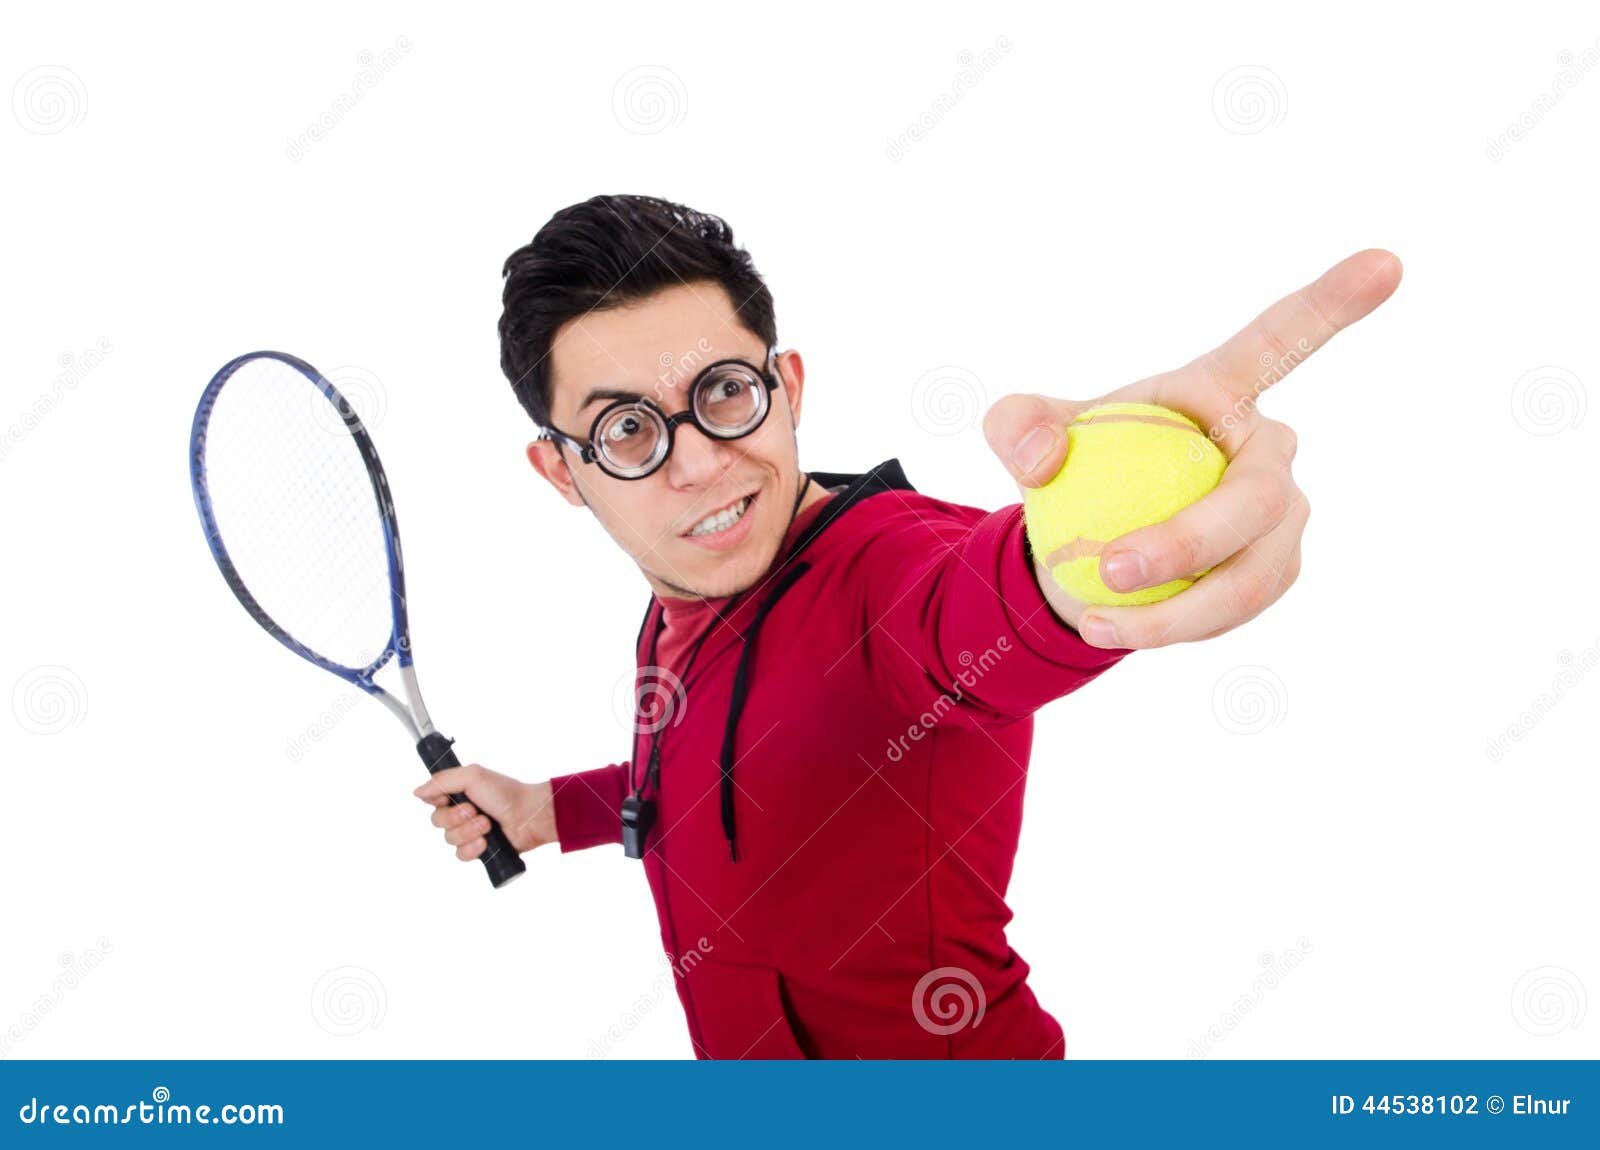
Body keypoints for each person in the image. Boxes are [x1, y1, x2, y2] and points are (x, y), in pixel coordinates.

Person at [414, 194, 1401, 1058]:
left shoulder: (891, 579)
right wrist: (553, 809)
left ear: (785, 386)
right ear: (562, 472)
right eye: (627, 428)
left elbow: (989, 609)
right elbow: (739, 774)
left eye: (721, 392)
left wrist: (1085, 558)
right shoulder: (687, 587)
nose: (700, 464)